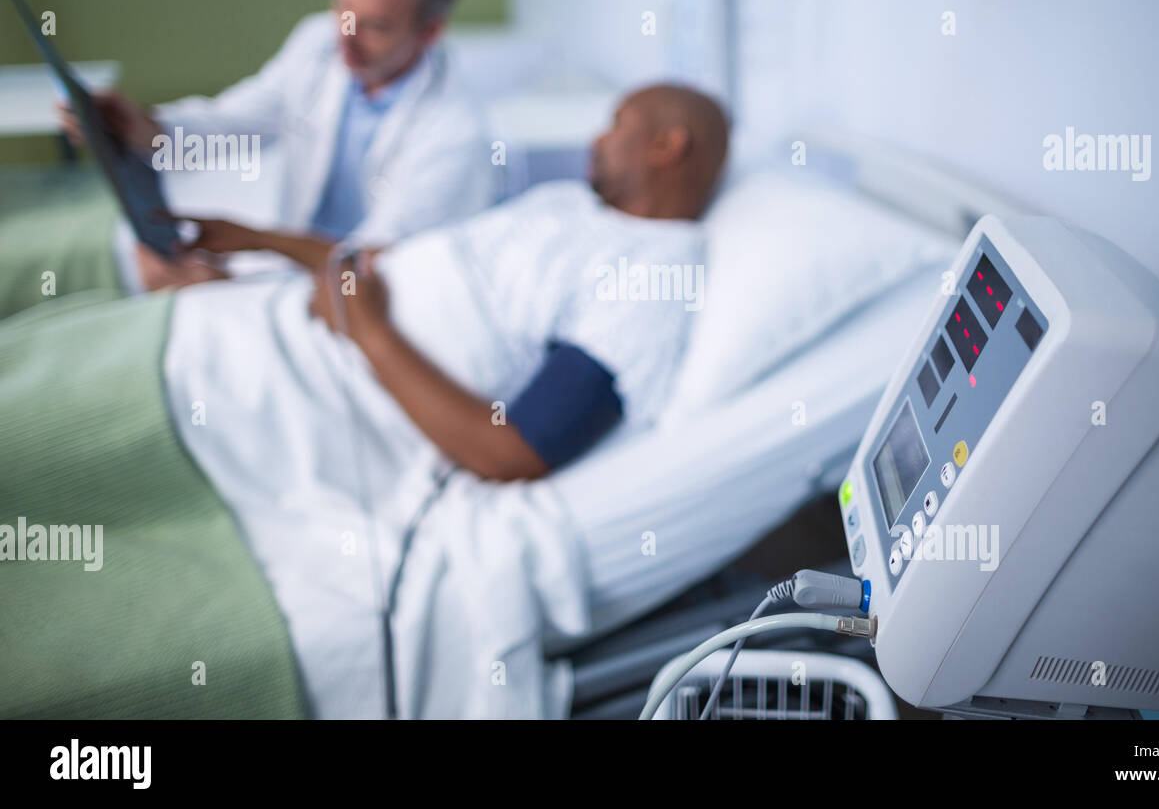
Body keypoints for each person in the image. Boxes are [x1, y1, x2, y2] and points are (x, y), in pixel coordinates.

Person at [0, 83, 727, 718]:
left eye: (619, 122)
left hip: (287, 388)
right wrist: (260, 242)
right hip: (258, 326)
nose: (597, 137)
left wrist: (369, 331)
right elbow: (377, 264)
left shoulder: (654, 271)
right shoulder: (566, 206)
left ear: (668, 144)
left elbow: (516, 449)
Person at [0, 0, 494, 317]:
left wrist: (238, 278)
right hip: (287, 262)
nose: (345, 36)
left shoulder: (456, 135)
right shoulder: (319, 43)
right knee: (129, 266)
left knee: (161, 289)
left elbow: (372, 267)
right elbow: (236, 125)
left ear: (430, 32)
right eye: (342, 7)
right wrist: (144, 129)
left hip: (360, 304)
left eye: (376, 28)